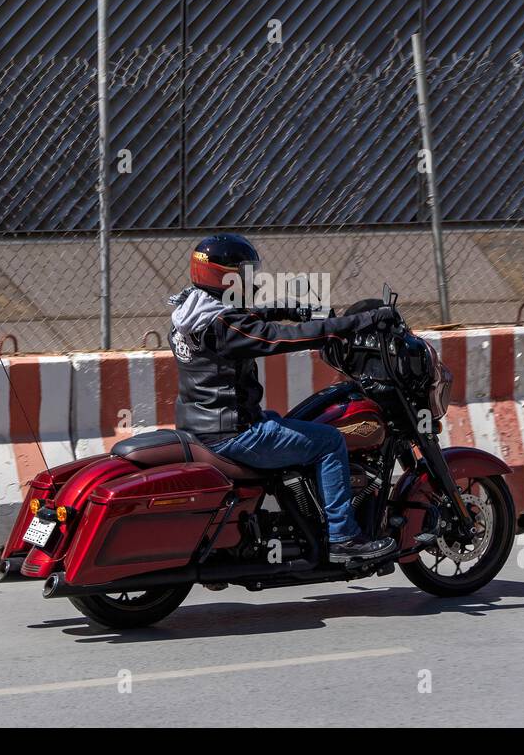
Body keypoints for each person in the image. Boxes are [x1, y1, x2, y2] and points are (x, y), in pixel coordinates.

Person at [168, 233, 397, 563]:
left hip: (202, 427)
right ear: (223, 275)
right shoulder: (223, 325)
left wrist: (292, 309)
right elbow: (279, 339)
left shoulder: (190, 312)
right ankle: (344, 538)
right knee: (330, 441)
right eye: (243, 272)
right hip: (233, 434)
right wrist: (357, 322)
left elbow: (252, 322)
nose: (251, 279)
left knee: (286, 422)